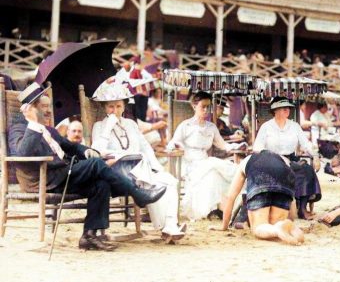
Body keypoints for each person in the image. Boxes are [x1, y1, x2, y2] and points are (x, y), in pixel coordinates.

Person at [8, 83, 166, 251]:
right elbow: (23, 153)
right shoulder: (18, 129)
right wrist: (33, 123)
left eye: (49, 106)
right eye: (44, 107)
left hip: (63, 174)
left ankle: (89, 236)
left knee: (101, 184)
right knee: (97, 165)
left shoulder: (49, 130)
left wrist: (89, 151)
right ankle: (137, 194)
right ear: (30, 109)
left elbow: (72, 146)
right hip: (44, 178)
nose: (48, 111)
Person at [90, 80, 186, 242]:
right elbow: (97, 150)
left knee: (170, 181)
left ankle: (169, 225)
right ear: (105, 107)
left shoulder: (131, 124)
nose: (115, 110)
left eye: (118, 106)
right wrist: (108, 127)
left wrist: (157, 168)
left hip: (140, 169)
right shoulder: (99, 126)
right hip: (117, 172)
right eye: (111, 107)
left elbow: (146, 148)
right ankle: (165, 227)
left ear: (124, 107)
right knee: (153, 183)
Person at [167, 91, 239, 221]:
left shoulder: (211, 127)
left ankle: (219, 209)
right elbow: (173, 142)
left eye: (208, 107)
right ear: (194, 107)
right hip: (190, 163)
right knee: (214, 167)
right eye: (203, 107)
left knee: (214, 173)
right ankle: (207, 210)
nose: (206, 110)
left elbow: (223, 145)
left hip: (205, 161)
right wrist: (178, 146)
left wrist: (237, 146)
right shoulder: (186, 125)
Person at [253, 96, 321, 220]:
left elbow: (306, 144)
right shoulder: (266, 127)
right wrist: (269, 156)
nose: (287, 111)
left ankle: (302, 208)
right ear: (275, 110)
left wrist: (315, 156)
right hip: (271, 160)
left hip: (290, 159)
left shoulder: (294, 126)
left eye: (288, 108)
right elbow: (257, 147)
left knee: (306, 170)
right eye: (284, 108)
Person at [218, 150, 304, 245]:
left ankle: (277, 229)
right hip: (284, 177)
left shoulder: (246, 161)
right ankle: (289, 230)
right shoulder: (283, 160)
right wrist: (290, 220)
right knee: (275, 224)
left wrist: (224, 226)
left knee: (260, 227)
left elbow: (231, 198)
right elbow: (291, 199)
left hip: (259, 176)